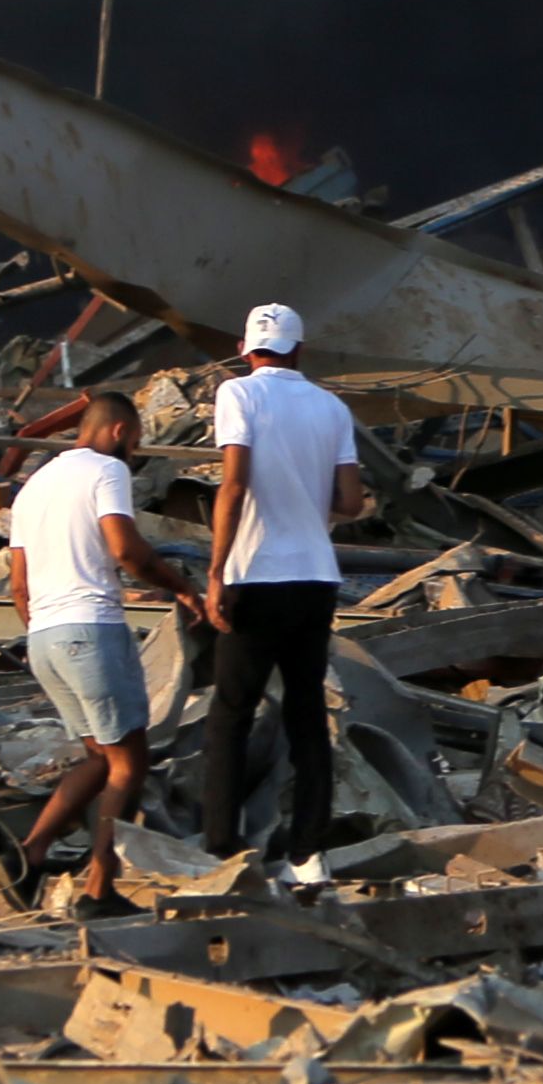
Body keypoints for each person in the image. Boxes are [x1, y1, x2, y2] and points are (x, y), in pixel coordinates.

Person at [2, 387, 203, 911]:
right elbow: (124, 548)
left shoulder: (32, 487)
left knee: (99, 756)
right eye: (134, 442)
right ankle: (99, 888)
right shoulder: (106, 471)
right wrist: (182, 588)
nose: (133, 454)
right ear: (119, 431)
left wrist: (43, 627)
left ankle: (31, 855)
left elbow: (17, 585)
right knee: (129, 764)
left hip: (43, 636)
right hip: (89, 629)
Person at [196, 302, 370, 865]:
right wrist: (304, 493)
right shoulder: (332, 407)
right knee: (305, 716)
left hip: (257, 573)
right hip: (315, 577)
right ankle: (307, 852)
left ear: (248, 350)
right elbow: (350, 501)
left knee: (231, 714)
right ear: (299, 350)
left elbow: (234, 484)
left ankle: (223, 847)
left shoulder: (238, 394)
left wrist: (216, 569)